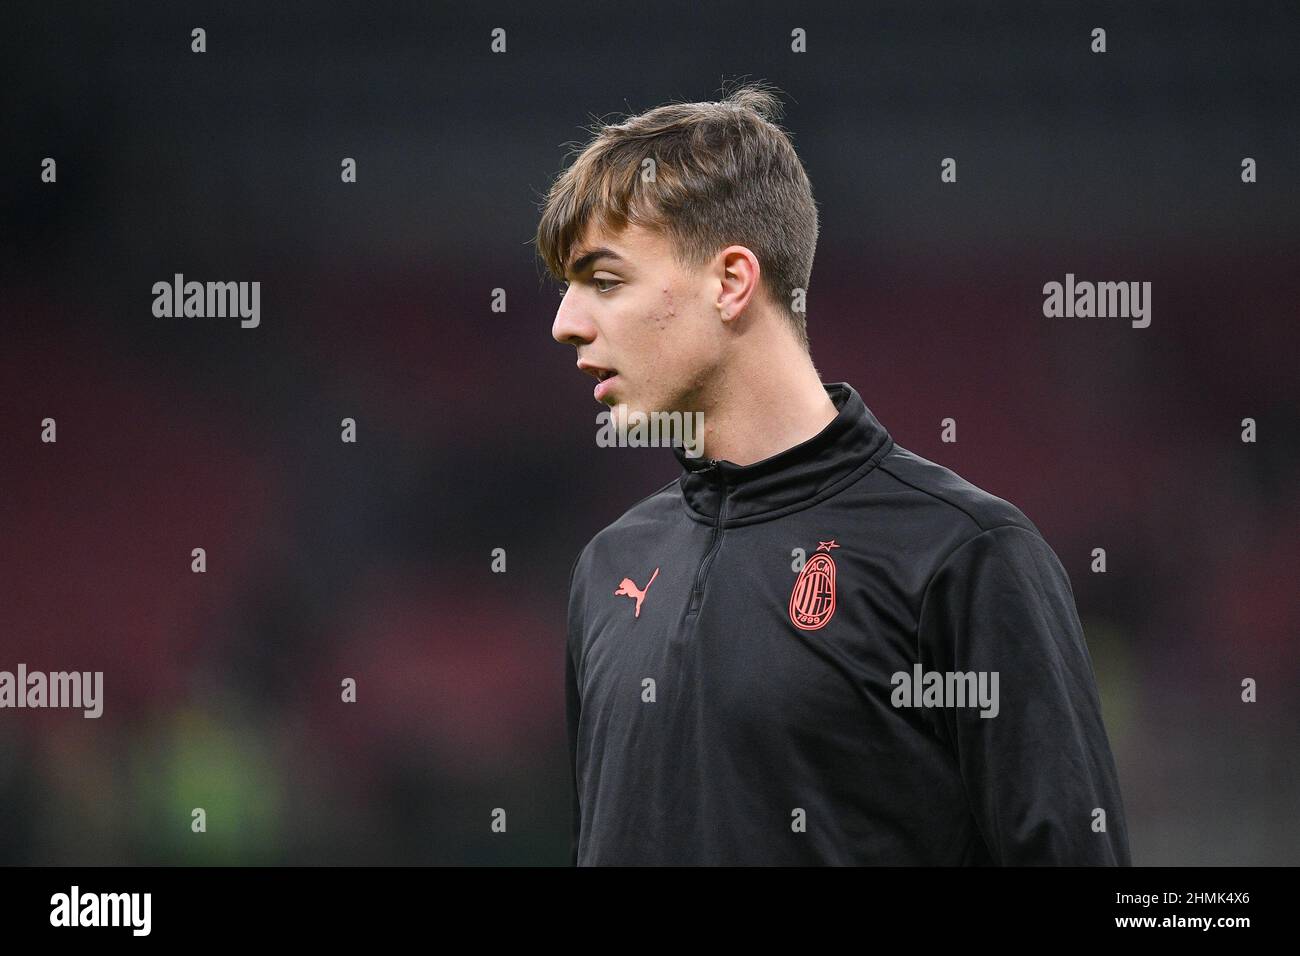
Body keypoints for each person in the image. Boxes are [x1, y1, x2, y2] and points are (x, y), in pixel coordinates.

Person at [537, 82, 1131, 865]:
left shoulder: (963, 555)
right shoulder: (609, 566)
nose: (564, 323)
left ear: (731, 282)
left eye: (605, 281)